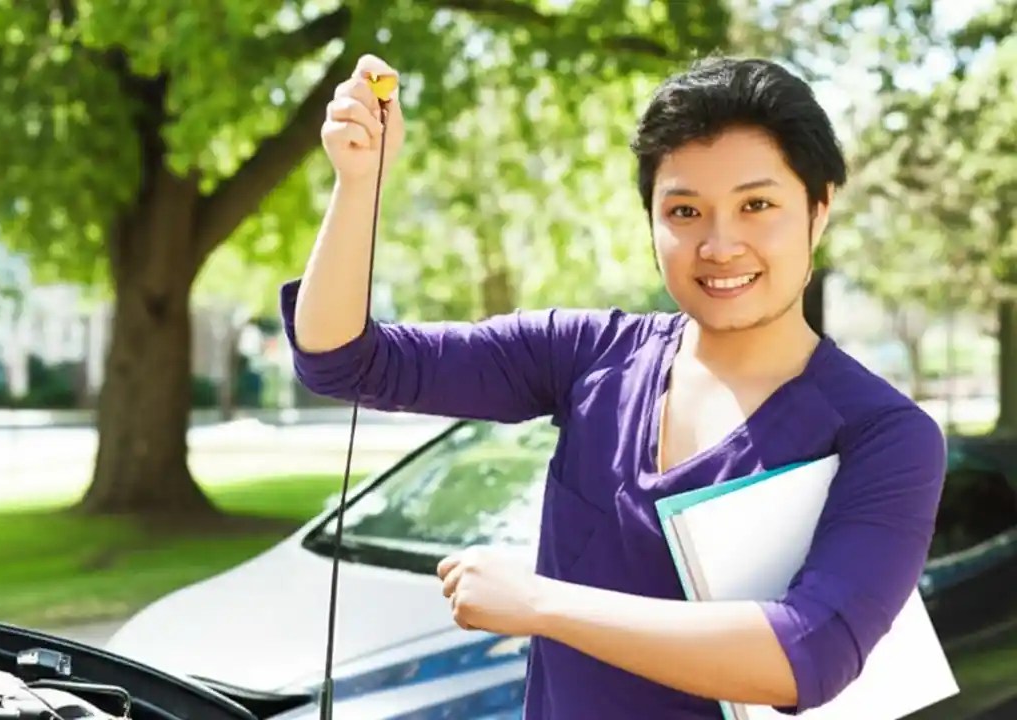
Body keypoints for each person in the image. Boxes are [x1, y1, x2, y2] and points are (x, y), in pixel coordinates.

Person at [281, 53, 946, 719]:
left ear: (819, 210)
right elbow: (343, 360)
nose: (719, 244)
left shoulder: (884, 436)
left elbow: (807, 655)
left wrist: (541, 604)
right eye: (685, 211)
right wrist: (358, 184)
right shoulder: (587, 355)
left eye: (757, 205)